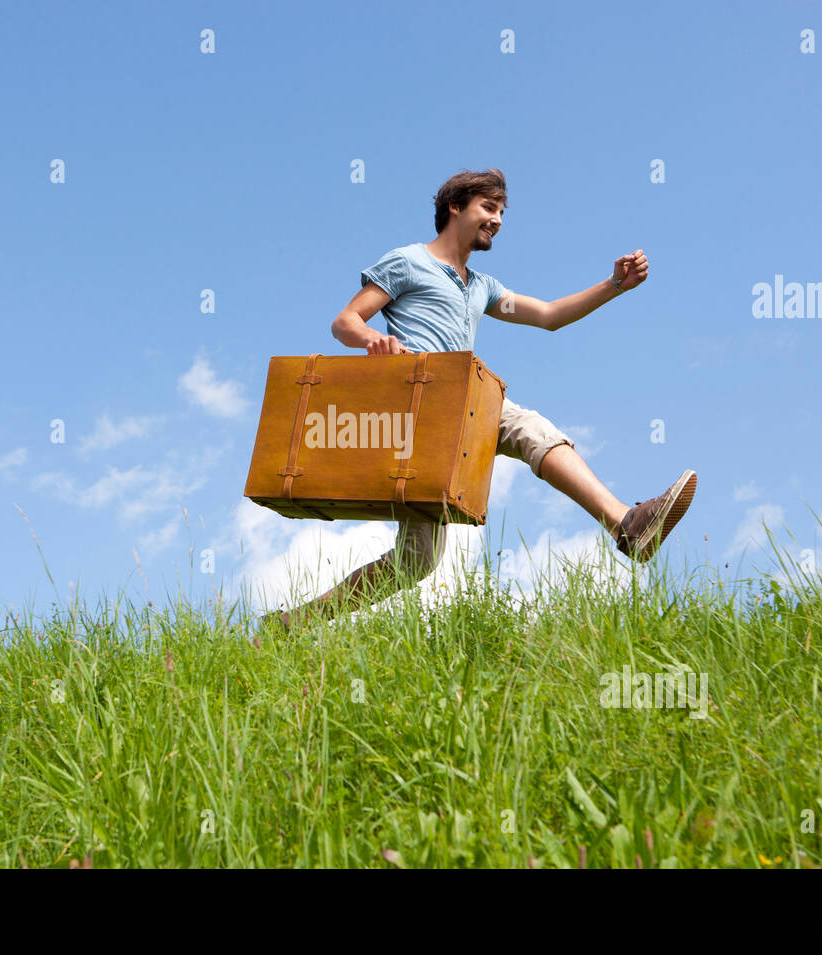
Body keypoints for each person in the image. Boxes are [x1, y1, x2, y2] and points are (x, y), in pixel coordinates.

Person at [262, 168, 696, 633]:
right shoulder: (408, 261)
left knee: (428, 549)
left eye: (502, 212)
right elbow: (345, 321)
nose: (498, 220)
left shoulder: (482, 287)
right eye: (489, 208)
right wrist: (374, 340)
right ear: (456, 206)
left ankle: (292, 624)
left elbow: (548, 316)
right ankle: (626, 523)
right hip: (418, 403)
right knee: (513, 449)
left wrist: (613, 287)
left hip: (463, 403)